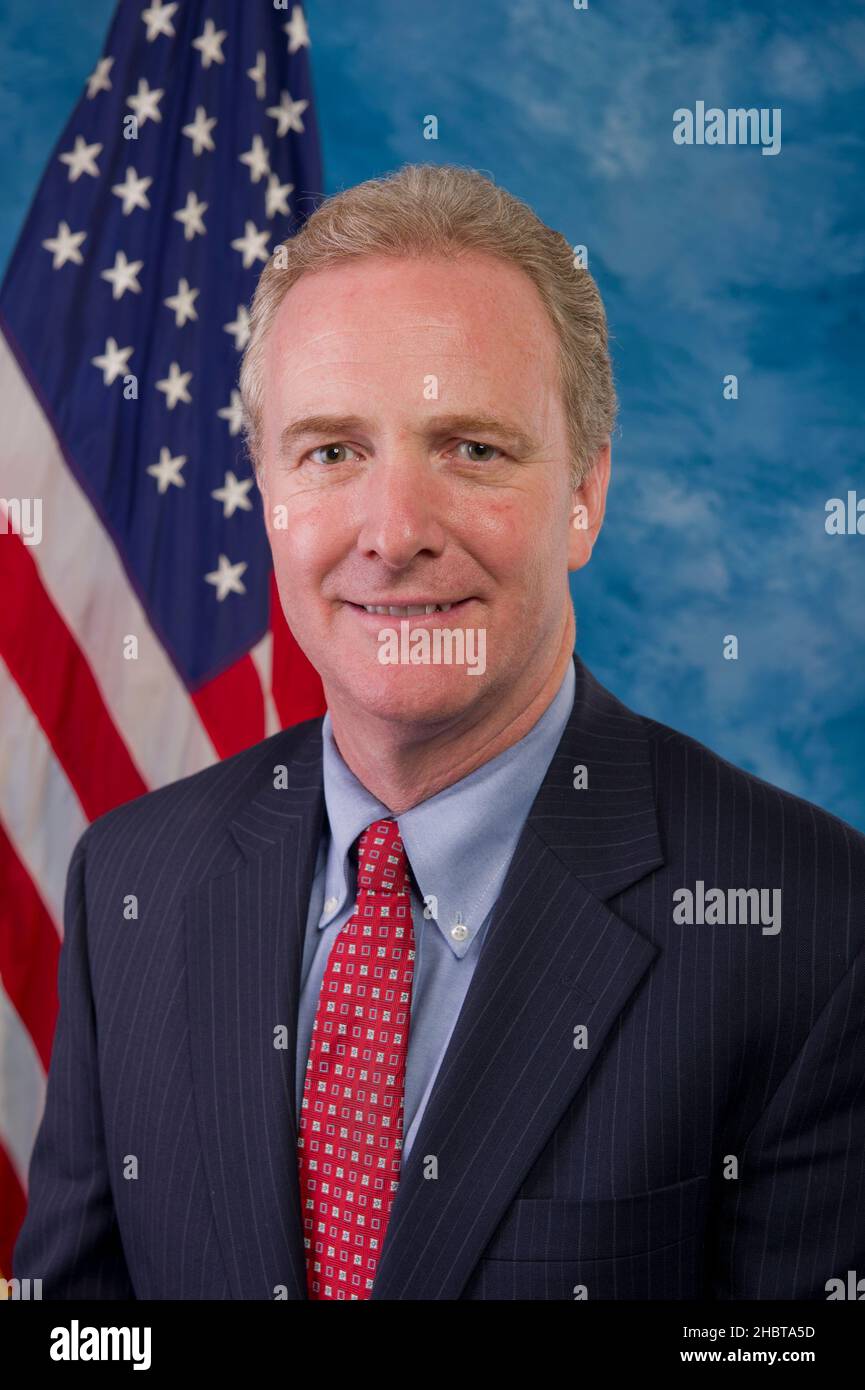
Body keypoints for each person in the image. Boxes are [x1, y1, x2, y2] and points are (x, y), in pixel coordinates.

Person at [14, 164, 865, 1300]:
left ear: (585, 493)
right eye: (330, 451)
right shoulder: (130, 877)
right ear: (264, 489)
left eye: (470, 447)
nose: (394, 530)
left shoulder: (808, 924)